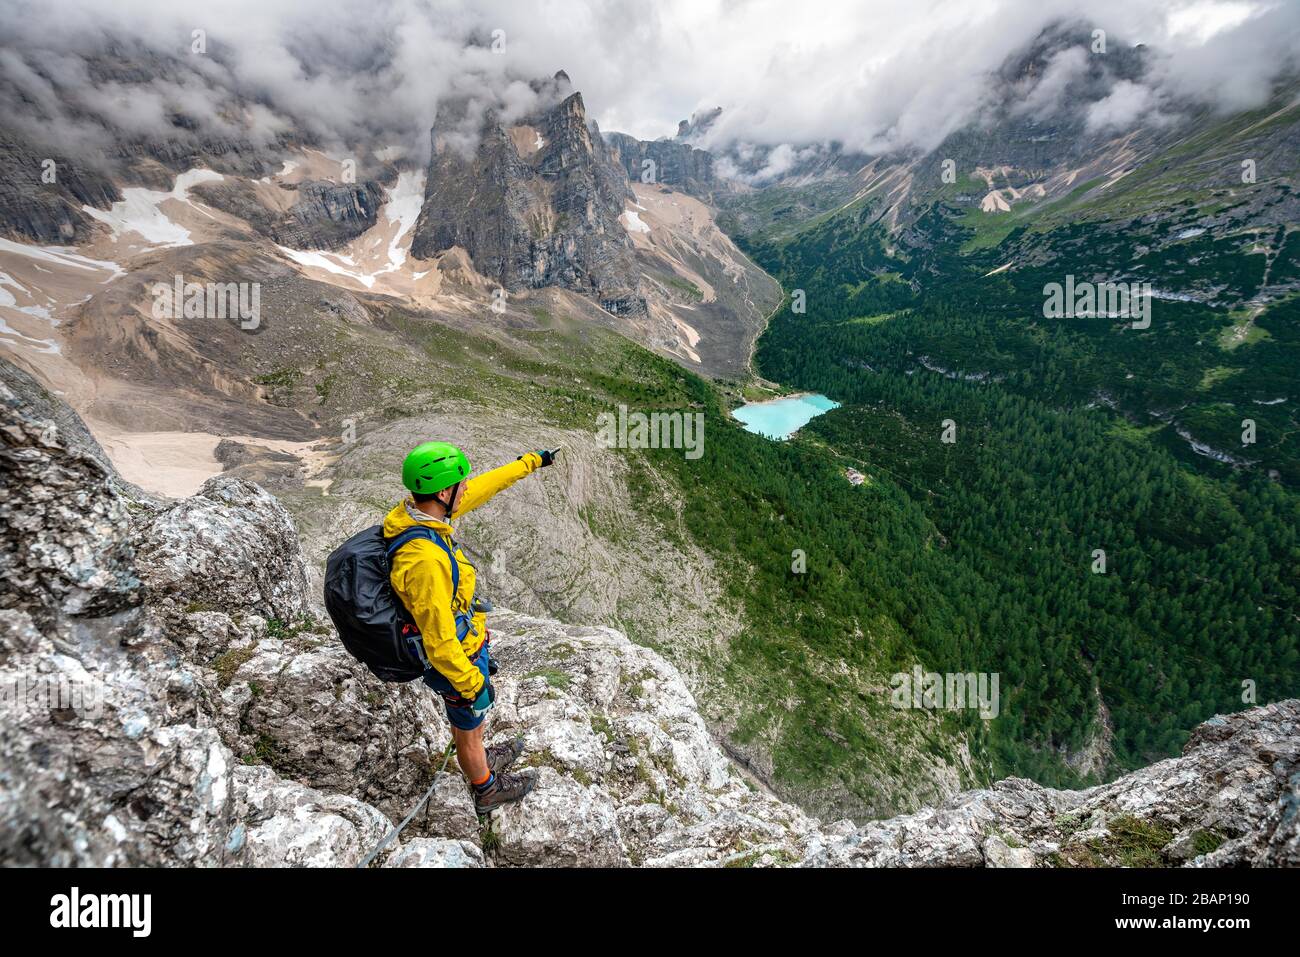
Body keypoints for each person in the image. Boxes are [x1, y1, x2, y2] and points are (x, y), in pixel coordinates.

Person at [383, 441, 558, 812]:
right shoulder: (424, 561)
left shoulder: (421, 514)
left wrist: (531, 463)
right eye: (460, 483)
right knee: (466, 722)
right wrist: (472, 683)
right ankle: (486, 788)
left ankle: (478, 753)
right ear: (444, 492)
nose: (467, 488)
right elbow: (439, 641)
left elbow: (483, 486)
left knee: (470, 723)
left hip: (465, 651)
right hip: (456, 663)